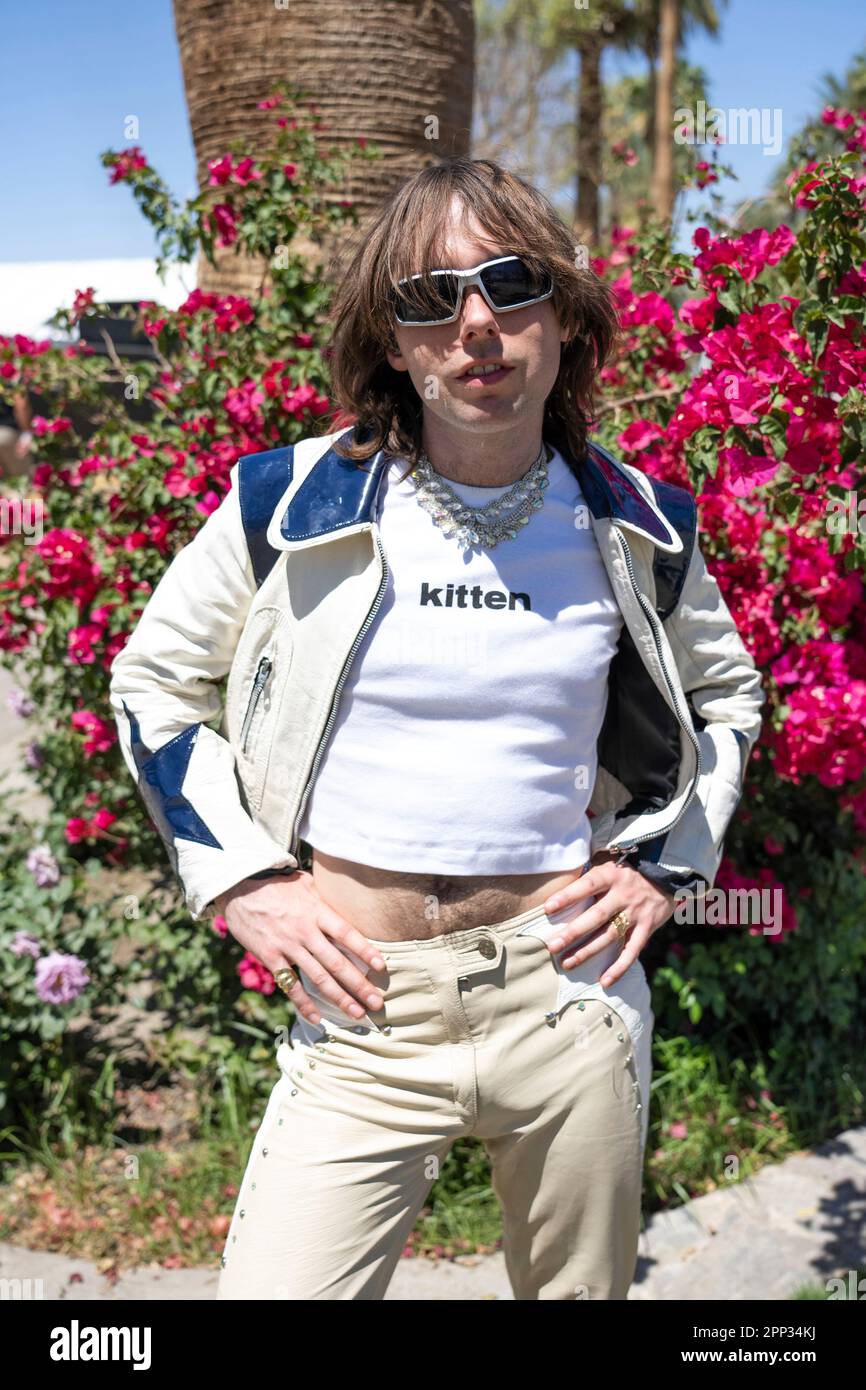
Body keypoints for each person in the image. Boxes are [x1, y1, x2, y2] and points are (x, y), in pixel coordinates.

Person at [107, 156, 764, 1300]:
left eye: (509, 286)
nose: (474, 326)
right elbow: (153, 685)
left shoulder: (637, 525)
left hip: (564, 1002)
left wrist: (665, 863)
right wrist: (247, 882)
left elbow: (726, 698)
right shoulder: (286, 503)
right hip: (361, 1013)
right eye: (428, 299)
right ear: (393, 342)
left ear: (560, 316)